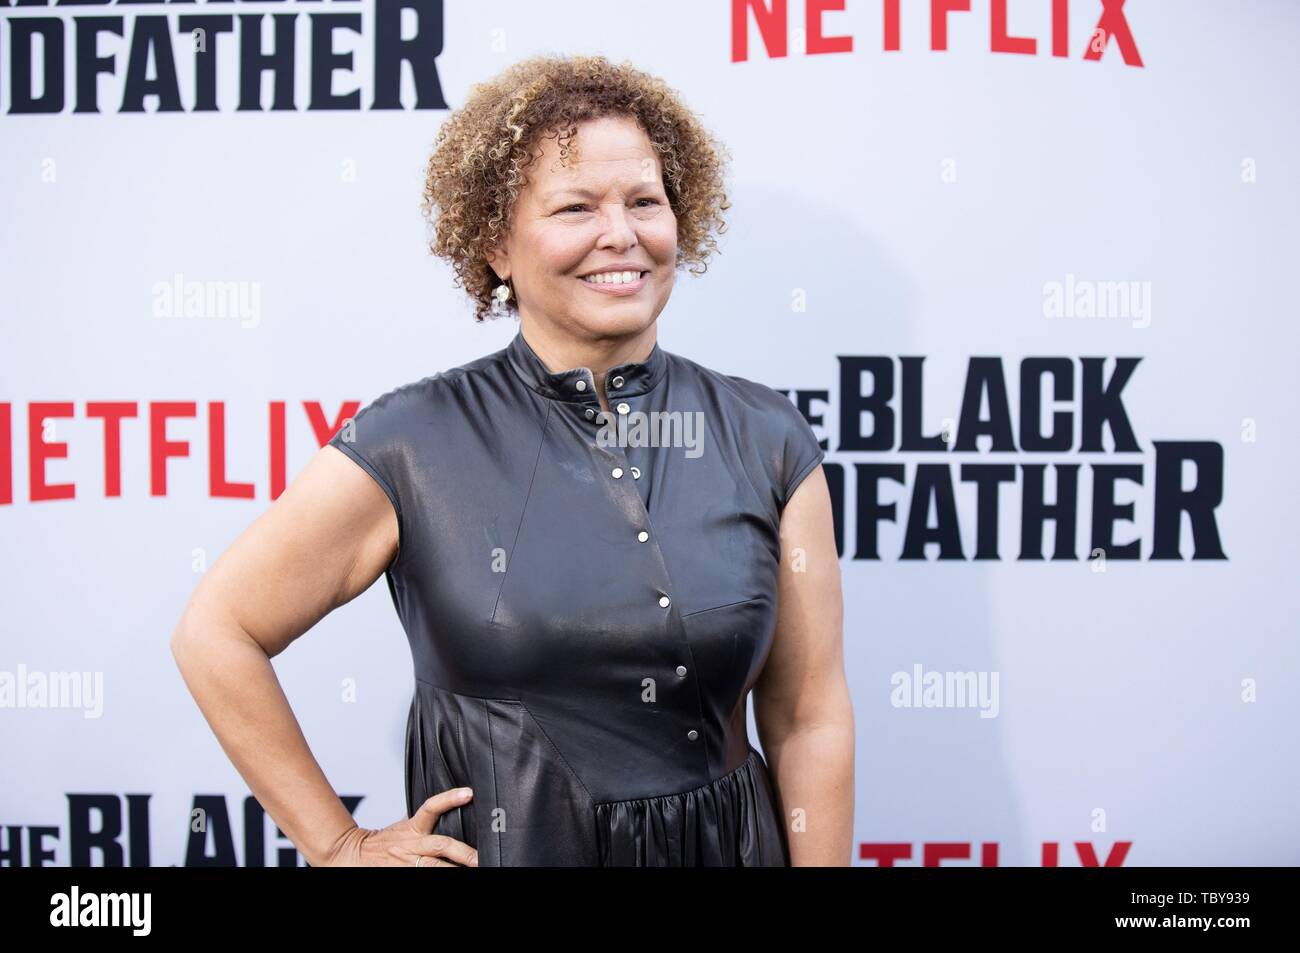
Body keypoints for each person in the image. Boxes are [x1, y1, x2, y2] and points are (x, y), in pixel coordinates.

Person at [170, 54, 853, 867]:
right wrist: (338, 843)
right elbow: (217, 631)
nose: (621, 234)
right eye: (575, 207)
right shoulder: (411, 440)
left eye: (645, 201)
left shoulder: (765, 435)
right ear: (496, 244)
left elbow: (809, 712)